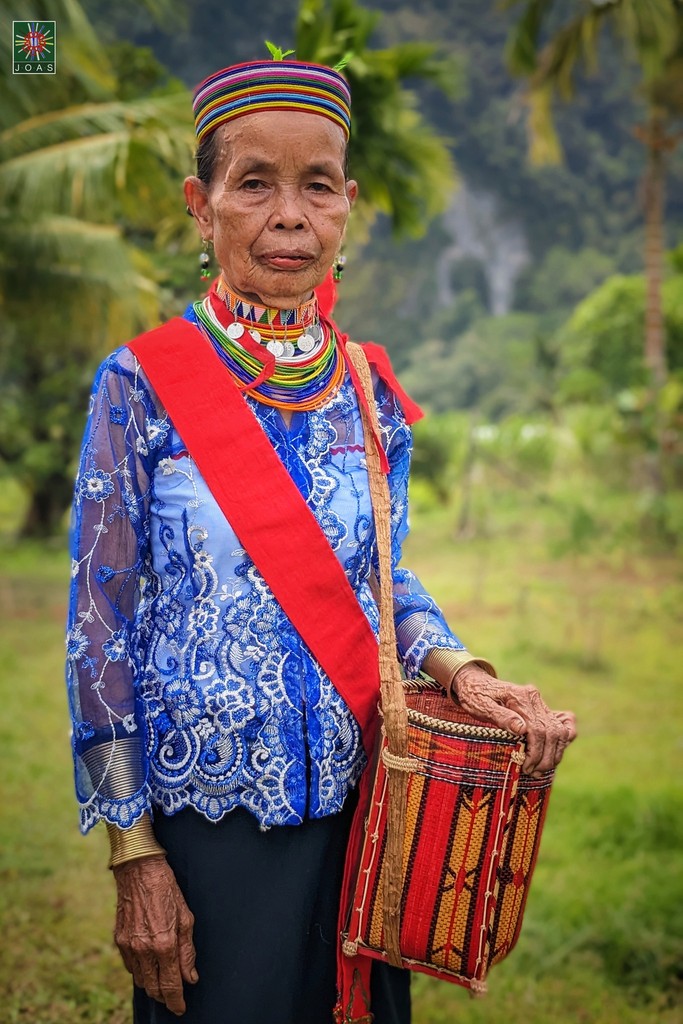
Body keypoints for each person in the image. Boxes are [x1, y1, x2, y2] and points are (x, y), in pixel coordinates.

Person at [65, 54, 576, 1024]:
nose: (288, 214)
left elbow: (384, 583)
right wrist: (133, 852)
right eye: (253, 182)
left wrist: (464, 671)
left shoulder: (370, 390)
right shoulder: (139, 387)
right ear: (200, 203)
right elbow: (97, 636)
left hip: (364, 817)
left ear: (346, 208)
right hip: (209, 831)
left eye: (315, 186)